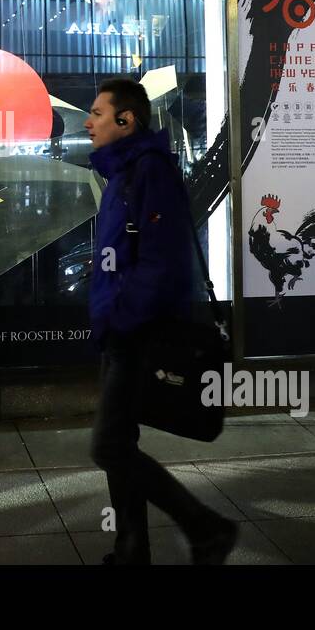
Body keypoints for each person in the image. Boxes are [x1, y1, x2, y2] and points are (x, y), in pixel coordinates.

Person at [85, 77, 239, 565]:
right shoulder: (122, 173)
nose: (88, 123)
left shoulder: (149, 171)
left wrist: (123, 319)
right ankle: (132, 547)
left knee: (109, 446)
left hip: (136, 330)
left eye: (98, 113)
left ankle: (206, 527)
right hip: (119, 328)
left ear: (126, 120)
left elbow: (161, 259)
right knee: (120, 441)